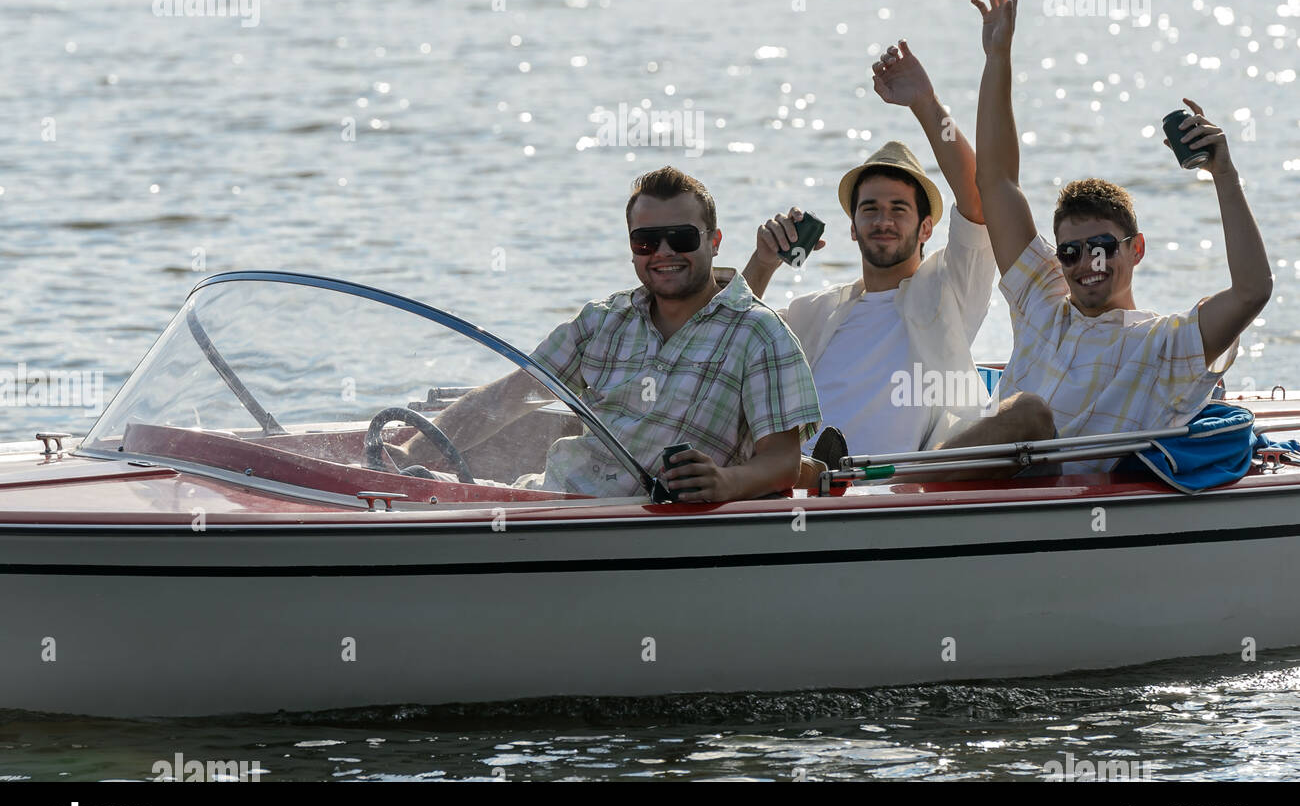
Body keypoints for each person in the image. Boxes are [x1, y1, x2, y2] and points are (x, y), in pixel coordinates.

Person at [959, 0, 1272, 472]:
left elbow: (1253, 290)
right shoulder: (1042, 300)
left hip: (1055, 512)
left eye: (1102, 246)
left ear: (1137, 249)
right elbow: (996, 182)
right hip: (977, 488)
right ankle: (894, 487)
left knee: (1031, 414)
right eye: (1071, 252)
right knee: (1020, 411)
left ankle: (901, 484)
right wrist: (998, 57)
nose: (1087, 263)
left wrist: (1224, 173)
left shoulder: (1164, 344)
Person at [399, 166, 821, 500]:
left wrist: (725, 483)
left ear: (714, 241)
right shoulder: (601, 320)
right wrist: (410, 454)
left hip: (640, 524)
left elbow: (783, 461)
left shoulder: (761, 333)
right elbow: (510, 396)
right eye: (646, 242)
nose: (664, 252)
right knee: (413, 486)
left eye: (681, 237)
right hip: (552, 506)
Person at [742, 40, 1018, 483]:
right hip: (796, 488)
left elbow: (980, 196)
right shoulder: (815, 311)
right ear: (852, 227)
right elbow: (723, 343)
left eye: (899, 209)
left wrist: (926, 104)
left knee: (1024, 415)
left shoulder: (948, 290)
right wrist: (762, 263)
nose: (882, 220)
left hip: (894, 492)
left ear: (926, 228)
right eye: (869, 209)